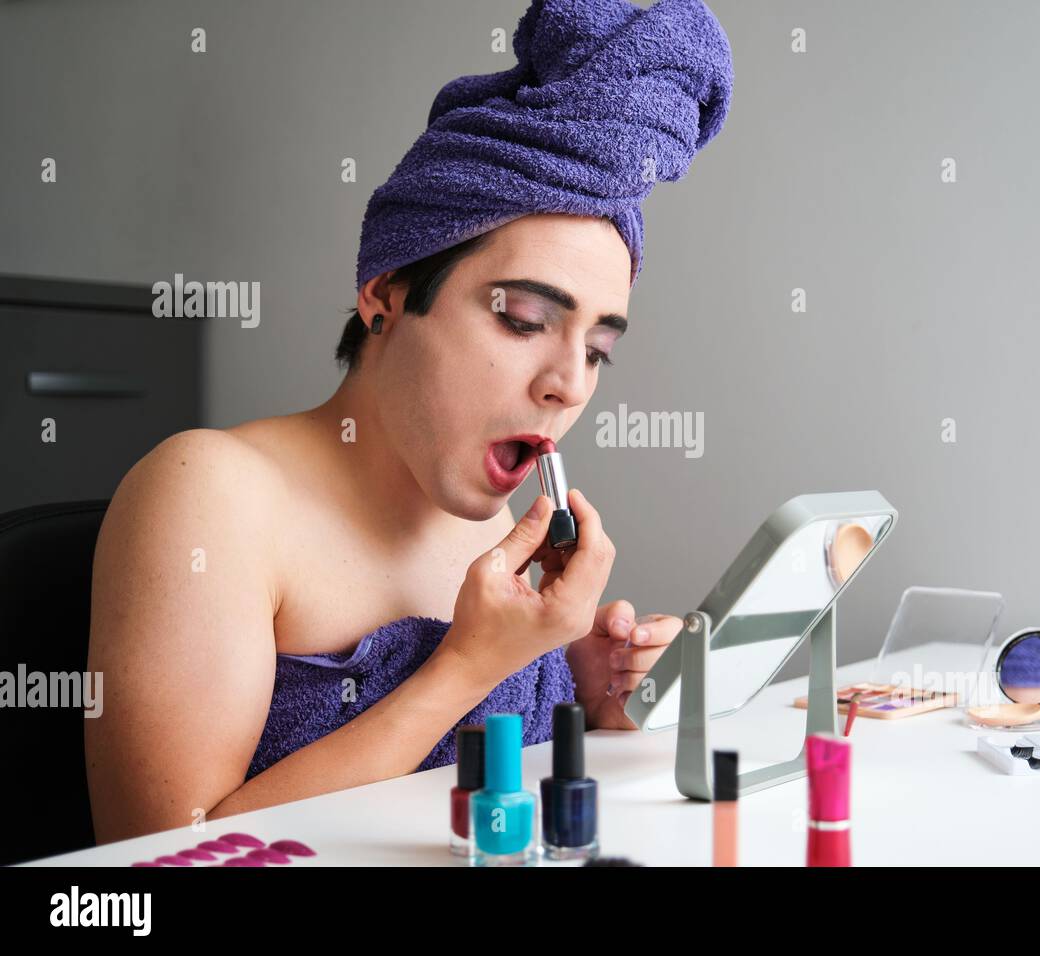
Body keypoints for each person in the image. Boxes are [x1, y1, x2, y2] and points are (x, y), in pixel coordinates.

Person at [84, 0, 733, 844]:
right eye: (525, 320)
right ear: (386, 292)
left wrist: (599, 694)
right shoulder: (207, 495)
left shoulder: (493, 517)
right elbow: (164, 858)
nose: (568, 385)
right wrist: (471, 667)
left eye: (598, 350)